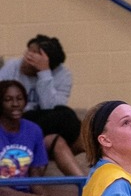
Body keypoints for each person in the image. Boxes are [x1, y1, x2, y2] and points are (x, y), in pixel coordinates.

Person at [0, 34, 85, 172]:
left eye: (32, 60)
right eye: (28, 53)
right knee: (67, 117)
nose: (25, 61)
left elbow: (51, 108)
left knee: (66, 117)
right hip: (14, 120)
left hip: (43, 122)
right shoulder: (13, 66)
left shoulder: (63, 75)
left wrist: (44, 73)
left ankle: (86, 182)